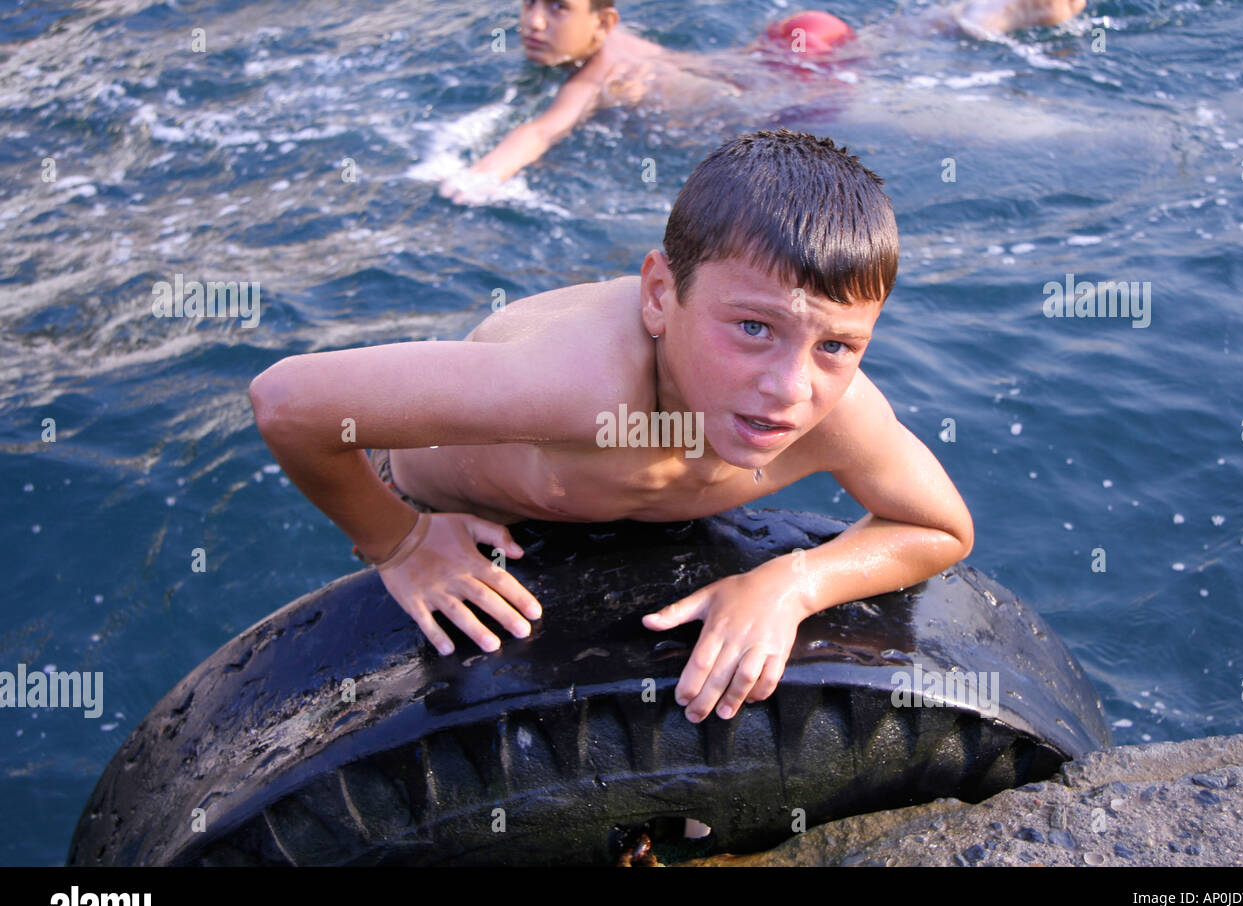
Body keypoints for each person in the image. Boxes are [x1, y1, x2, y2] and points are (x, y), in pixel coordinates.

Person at [251, 129, 975, 725]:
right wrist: (399, 541)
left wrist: (794, 584)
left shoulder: (830, 411)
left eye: (836, 347)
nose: (790, 387)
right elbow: (288, 402)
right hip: (467, 519)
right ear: (660, 296)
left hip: (642, 527)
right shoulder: (574, 390)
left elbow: (940, 529)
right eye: (753, 327)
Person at [439, 0, 1087, 201]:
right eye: (528, 3)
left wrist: (476, 176)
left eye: (558, 9)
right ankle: (977, 15)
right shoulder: (621, 43)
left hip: (773, 103)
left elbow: (543, 131)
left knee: (895, 102)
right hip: (771, 53)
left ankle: (1058, 130)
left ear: (603, 23)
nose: (533, 21)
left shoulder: (597, 70)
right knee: (877, 47)